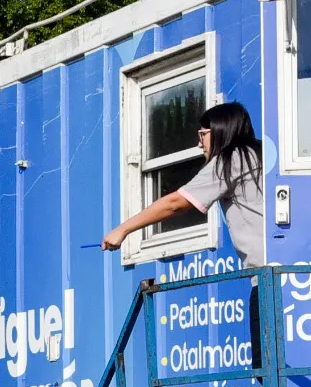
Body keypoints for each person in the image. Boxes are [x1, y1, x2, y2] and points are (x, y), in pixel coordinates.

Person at [101, 100, 265, 265]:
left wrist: (123, 230)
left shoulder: (231, 159)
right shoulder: (263, 154)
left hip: (267, 275)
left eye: (202, 134)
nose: (199, 144)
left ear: (220, 129)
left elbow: (175, 203)